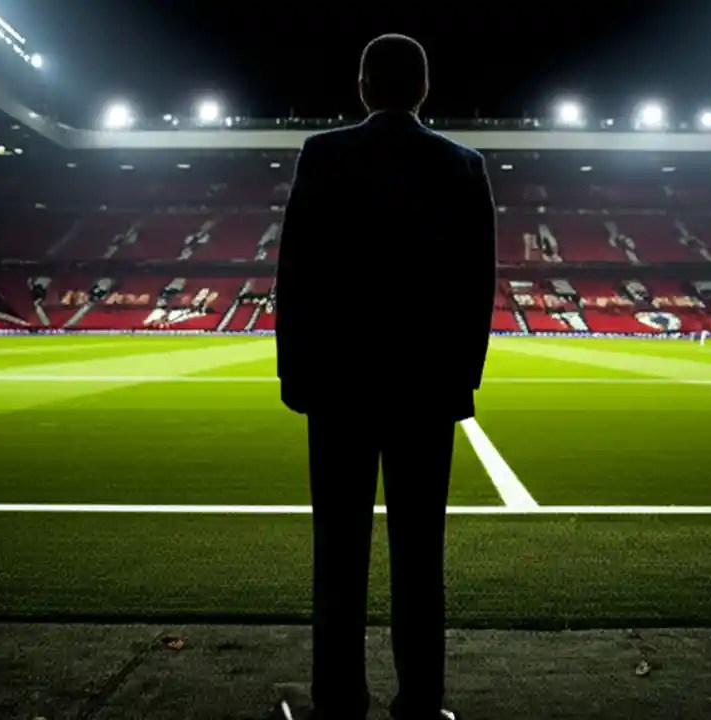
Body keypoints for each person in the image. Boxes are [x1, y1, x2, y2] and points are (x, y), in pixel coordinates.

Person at [274, 33, 496, 720]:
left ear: (363, 87)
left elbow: (297, 272)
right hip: (426, 391)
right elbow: (476, 284)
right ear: (424, 90)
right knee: (419, 557)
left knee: (338, 554)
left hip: (339, 388)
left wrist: (296, 375)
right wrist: (462, 381)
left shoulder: (325, 155)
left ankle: (338, 701)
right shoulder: (463, 166)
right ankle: (421, 703)